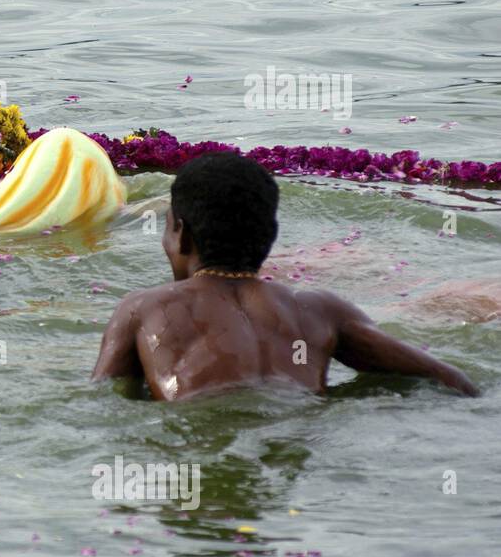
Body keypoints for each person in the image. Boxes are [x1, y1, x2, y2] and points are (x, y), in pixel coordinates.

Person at [91, 152, 480, 399]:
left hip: (199, 441)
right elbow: (451, 380)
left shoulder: (143, 308)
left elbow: (103, 399)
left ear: (181, 234)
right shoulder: (321, 310)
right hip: (297, 427)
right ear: (272, 236)